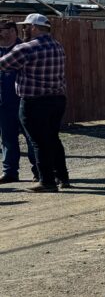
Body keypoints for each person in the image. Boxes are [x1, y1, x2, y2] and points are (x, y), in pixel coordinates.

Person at [0, 13, 70, 192]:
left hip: (34, 101)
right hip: (57, 99)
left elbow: (4, 65)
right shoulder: (57, 46)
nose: (24, 30)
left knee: (38, 141)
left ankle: (46, 181)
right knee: (52, 138)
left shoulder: (27, 48)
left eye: (25, 27)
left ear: (33, 28)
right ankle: (62, 177)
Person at [0, 19, 39, 184]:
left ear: (12, 31)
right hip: (3, 103)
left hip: (24, 101)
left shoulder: (24, 48)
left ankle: (39, 171)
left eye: (1, 29)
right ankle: (10, 172)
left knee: (32, 138)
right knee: (7, 138)